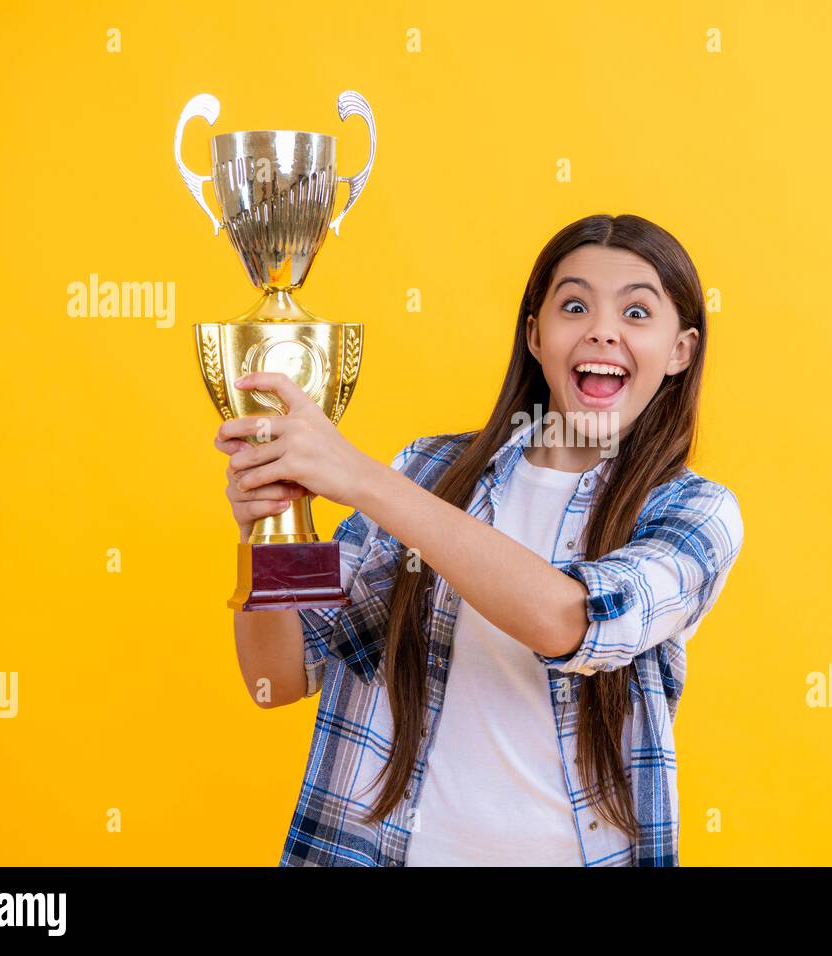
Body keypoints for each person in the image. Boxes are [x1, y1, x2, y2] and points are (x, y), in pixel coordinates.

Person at [215, 213, 745, 866]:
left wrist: (362, 479)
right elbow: (279, 674)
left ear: (679, 351)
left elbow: (570, 621)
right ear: (536, 335)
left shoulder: (697, 512)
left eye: (637, 313)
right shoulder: (424, 471)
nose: (602, 329)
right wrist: (268, 530)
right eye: (574, 305)